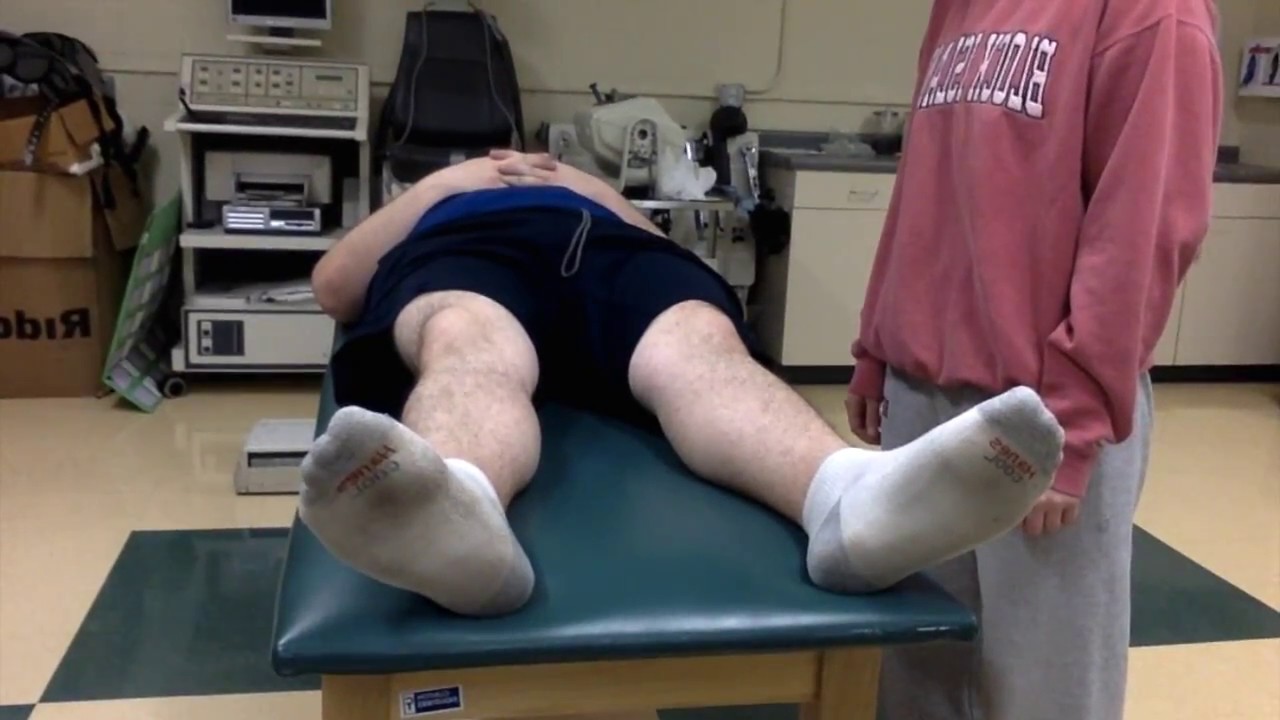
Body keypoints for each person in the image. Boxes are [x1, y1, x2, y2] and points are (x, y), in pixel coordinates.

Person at [298, 149, 1066, 617]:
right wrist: (449, 182)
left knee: (699, 345)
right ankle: (462, 520)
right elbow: (335, 284)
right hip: (472, 255)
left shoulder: (586, 190)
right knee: (468, 340)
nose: (517, 161)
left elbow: (669, 255)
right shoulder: (445, 196)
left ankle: (848, 502)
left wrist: (586, 187)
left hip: (610, 255)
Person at [845, 0, 1223, 718]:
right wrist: (878, 347)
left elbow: (1140, 229)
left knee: (1043, 693)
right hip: (922, 396)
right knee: (914, 673)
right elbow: (925, 187)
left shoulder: (1154, 11)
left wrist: (1071, 426)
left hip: (1042, 410)